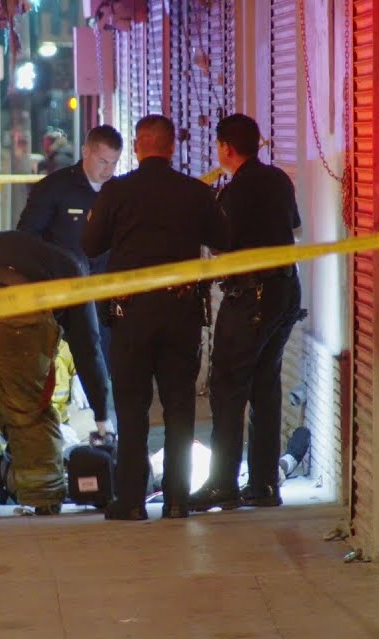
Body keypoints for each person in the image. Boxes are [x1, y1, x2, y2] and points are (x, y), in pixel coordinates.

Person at [81, 115, 229, 521]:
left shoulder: (116, 192)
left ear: (137, 145)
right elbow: (223, 240)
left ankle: (130, 500)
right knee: (179, 405)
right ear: (172, 147)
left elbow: (91, 244)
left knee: (131, 407)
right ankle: (177, 499)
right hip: (181, 312)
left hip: (132, 314)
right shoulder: (195, 193)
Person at [0, 231, 110, 521]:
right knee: (27, 405)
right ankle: (43, 495)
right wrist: (101, 414)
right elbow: (88, 349)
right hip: (17, 304)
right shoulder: (73, 269)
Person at [191, 114, 303, 511]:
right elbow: (294, 228)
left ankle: (223, 483)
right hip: (285, 293)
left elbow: (221, 245)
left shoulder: (234, 192)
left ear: (225, 148)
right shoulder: (279, 180)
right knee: (265, 386)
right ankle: (264, 484)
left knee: (228, 387)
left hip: (250, 299)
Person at [17, 123, 122, 401]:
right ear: (86, 152)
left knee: (101, 370)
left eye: (113, 162)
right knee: (58, 371)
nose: (107, 169)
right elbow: (27, 237)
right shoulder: (55, 188)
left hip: (104, 299)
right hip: (62, 299)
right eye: (102, 161)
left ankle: (98, 430)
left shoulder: (119, 193)